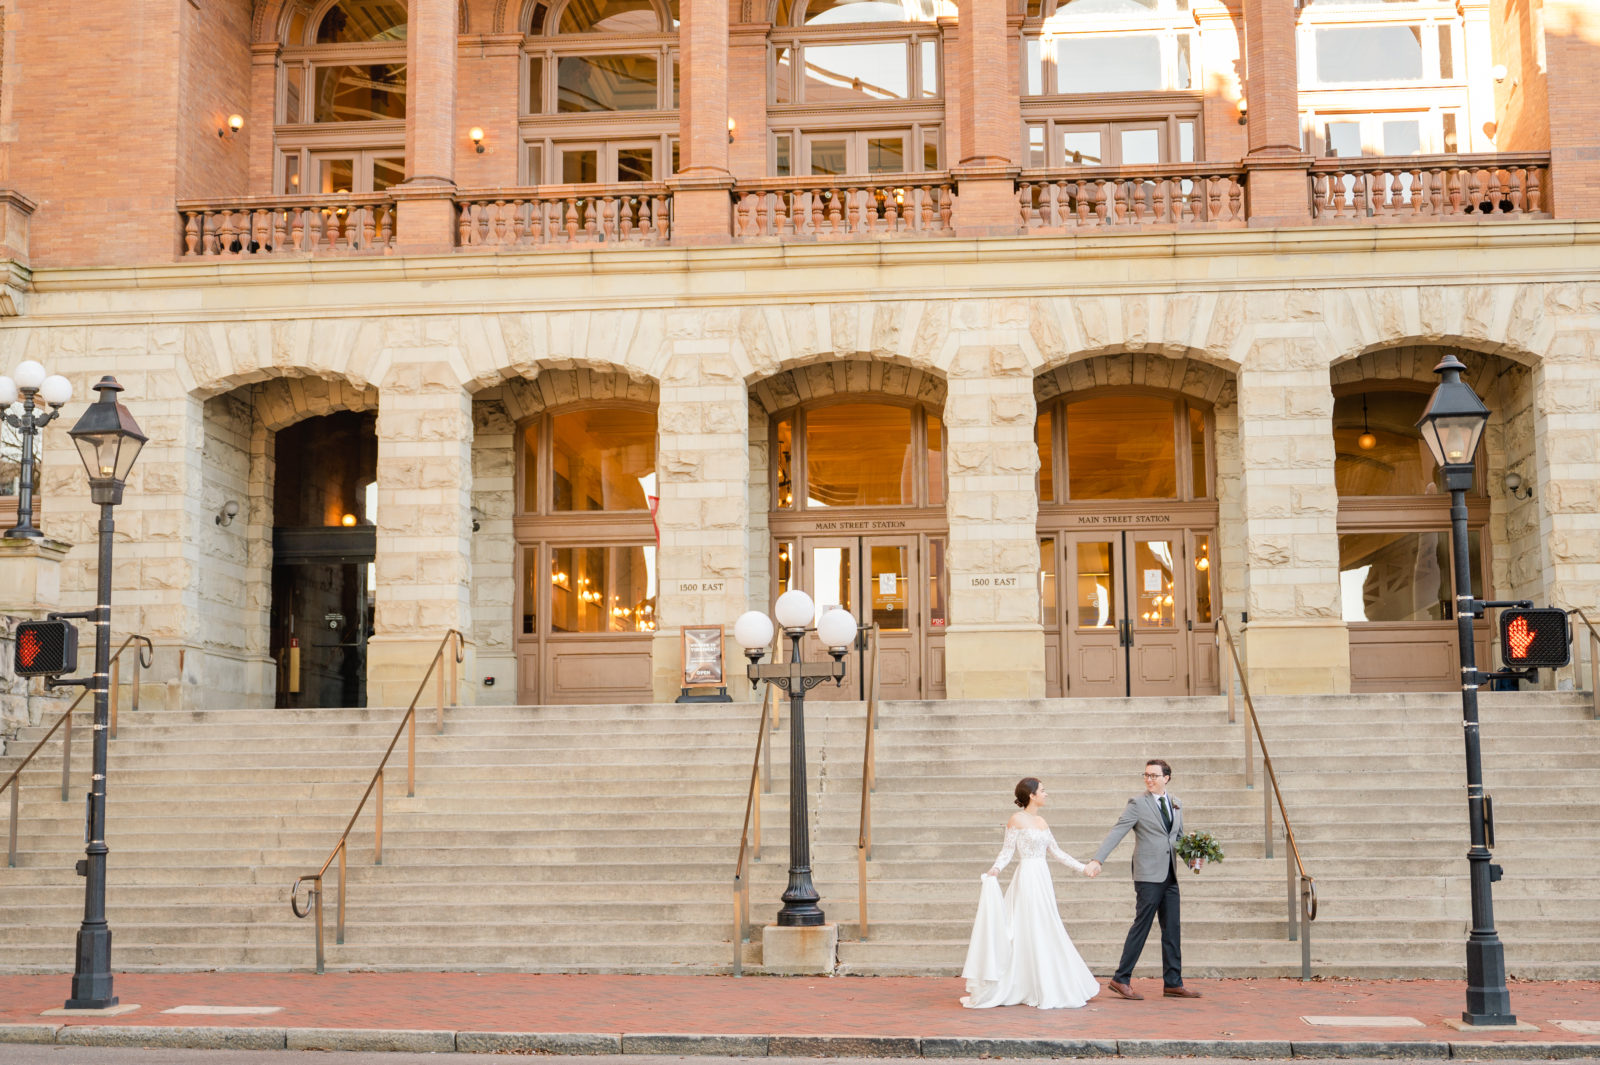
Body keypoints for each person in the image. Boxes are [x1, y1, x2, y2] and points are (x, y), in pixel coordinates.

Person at [960, 777, 1100, 1009]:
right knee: (1028, 925)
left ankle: (1047, 981)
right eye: (1042, 790)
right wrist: (995, 869)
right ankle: (1023, 983)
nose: (1046, 794)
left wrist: (1083, 868)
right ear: (1031, 795)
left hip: (1042, 877)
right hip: (1026, 877)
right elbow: (1006, 852)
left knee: (1046, 923)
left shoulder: (1042, 821)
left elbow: (1057, 852)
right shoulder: (1017, 819)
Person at [1085, 758, 1200, 1000]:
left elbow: (1177, 837)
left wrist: (1192, 858)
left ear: (1166, 778)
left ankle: (1173, 982)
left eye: (1154, 776)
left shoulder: (1176, 803)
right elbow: (1118, 830)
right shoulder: (1137, 803)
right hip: (1147, 875)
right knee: (1142, 926)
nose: (1149, 779)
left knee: (1172, 929)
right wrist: (1098, 859)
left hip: (1170, 875)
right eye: (1146, 775)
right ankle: (1120, 979)